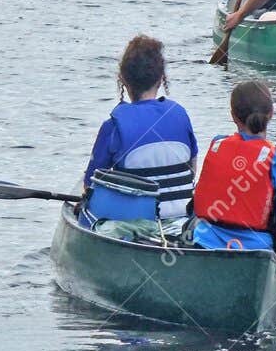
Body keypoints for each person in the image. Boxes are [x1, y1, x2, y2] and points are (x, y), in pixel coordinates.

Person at [192, 81, 276, 303]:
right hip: (254, 257)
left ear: (233, 116)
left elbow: (241, 190)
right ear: (271, 114)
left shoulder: (217, 144)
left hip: (204, 246)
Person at [80, 35, 198, 240]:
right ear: (161, 79)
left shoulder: (112, 126)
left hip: (138, 227)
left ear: (123, 80)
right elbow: (192, 169)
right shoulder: (180, 115)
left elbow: (91, 185)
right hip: (183, 221)